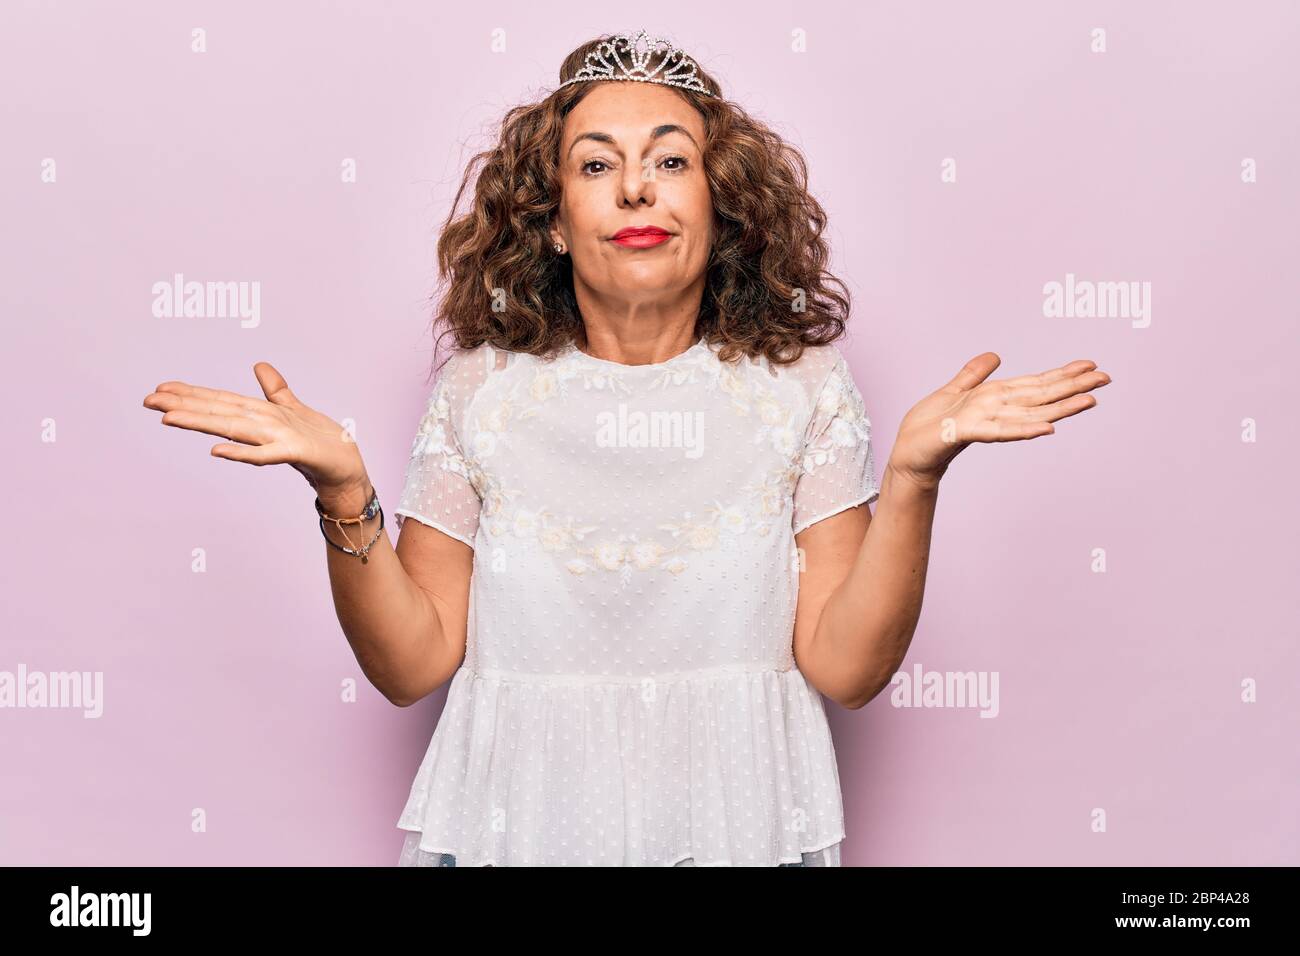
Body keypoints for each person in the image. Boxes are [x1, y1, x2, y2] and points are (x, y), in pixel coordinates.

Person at [141, 30, 1110, 867]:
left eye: (671, 160)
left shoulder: (803, 389)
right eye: (596, 164)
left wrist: (912, 477)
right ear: (555, 221)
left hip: (736, 833)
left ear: (721, 203)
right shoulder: (482, 392)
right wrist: (342, 491)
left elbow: (846, 665)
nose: (637, 185)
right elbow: (411, 662)